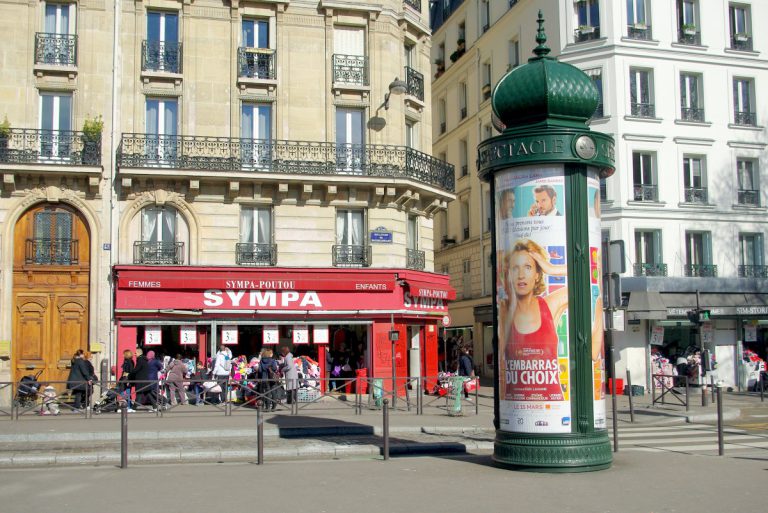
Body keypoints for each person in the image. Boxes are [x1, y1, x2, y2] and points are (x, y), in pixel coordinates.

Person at [499, 238, 568, 367]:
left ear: (537, 274)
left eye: (528, 267)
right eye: (515, 268)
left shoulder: (549, 305)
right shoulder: (505, 309)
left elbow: (584, 277)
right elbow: (500, 358)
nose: (521, 275)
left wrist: (551, 269)